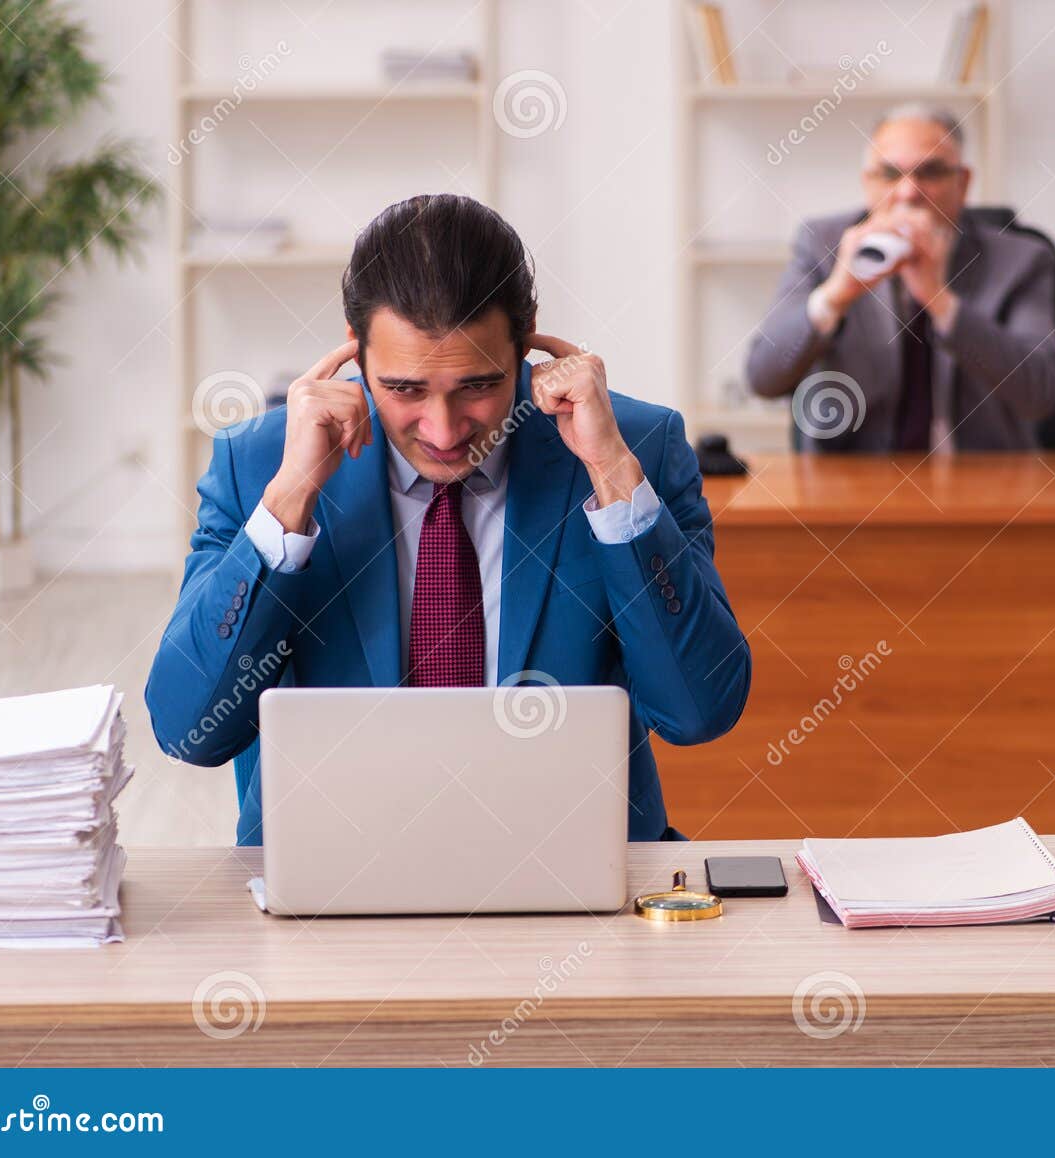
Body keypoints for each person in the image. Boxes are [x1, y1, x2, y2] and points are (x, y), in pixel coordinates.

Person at [147, 194, 751, 845]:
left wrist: (612, 475)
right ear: (355, 353)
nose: (441, 430)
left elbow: (698, 712)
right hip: (333, 874)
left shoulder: (634, 447)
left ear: (527, 343)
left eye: (477, 386)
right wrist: (291, 496)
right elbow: (189, 730)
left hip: (574, 874)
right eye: (405, 389)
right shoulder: (261, 462)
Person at [745, 104, 1055, 452]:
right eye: (889, 174)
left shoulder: (1023, 259)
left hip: (981, 487)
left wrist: (941, 302)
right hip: (850, 490)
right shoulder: (822, 244)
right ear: (866, 183)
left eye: (931, 171)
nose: (909, 192)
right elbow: (763, 378)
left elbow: (1041, 394)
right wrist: (835, 295)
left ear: (963, 183)